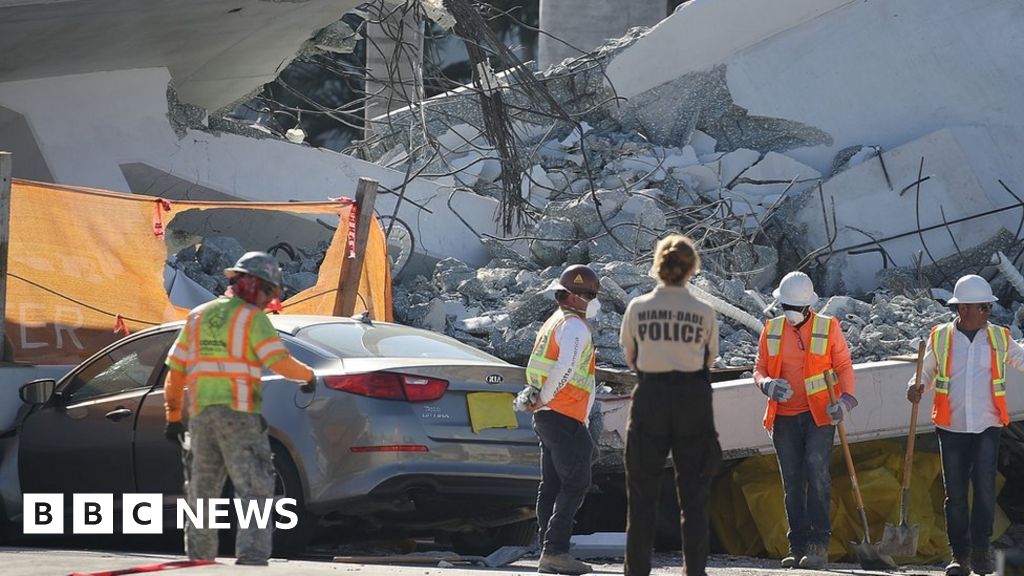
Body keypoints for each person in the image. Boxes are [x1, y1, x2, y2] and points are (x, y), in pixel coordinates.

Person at [164, 252, 317, 566]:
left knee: (202, 491)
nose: (268, 300)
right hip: (238, 414)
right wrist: (309, 376)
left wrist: (173, 416)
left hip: (202, 417)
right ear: (253, 285)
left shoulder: (198, 315)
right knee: (255, 487)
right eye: (268, 292)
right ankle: (251, 556)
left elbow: (175, 372)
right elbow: (279, 361)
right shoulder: (251, 318)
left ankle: (199, 559)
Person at [907, 274, 1024, 576]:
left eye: (986, 308)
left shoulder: (998, 337)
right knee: (955, 495)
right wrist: (916, 385)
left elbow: (1021, 359)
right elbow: (927, 370)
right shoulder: (943, 338)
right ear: (962, 309)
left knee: (985, 490)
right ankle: (960, 556)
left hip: (987, 425)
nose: (984, 313)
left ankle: (981, 552)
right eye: (979, 308)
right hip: (952, 426)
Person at [618, 234, 721, 576]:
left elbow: (631, 358)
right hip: (693, 398)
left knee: (641, 493)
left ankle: (636, 571)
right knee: (694, 493)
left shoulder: (638, 308)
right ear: (693, 269)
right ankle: (694, 570)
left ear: (657, 266)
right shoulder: (704, 311)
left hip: (651, 397)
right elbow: (709, 359)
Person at [753, 271, 855, 570]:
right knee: (792, 483)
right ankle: (796, 546)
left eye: (795, 308)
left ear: (808, 307)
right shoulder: (771, 330)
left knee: (817, 473)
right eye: (785, 306)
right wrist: (767, 384)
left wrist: (846, 400)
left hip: (819, 414)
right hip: (783, 416)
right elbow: (758, 368)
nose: (790, 313)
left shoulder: (827, 328)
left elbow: (844, 366)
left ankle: (818, 545)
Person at [517, 264, 600, 575]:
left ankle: (547, 551)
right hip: (563, 413)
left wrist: (542, 403)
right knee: (577, 482)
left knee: (551, 484)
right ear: (575, 297)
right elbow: (565, 370)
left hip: (550, 415)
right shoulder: (575, 327)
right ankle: (555, 552)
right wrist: (549, 400)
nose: (594, 301)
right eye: (591, 295)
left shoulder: (554, 322)